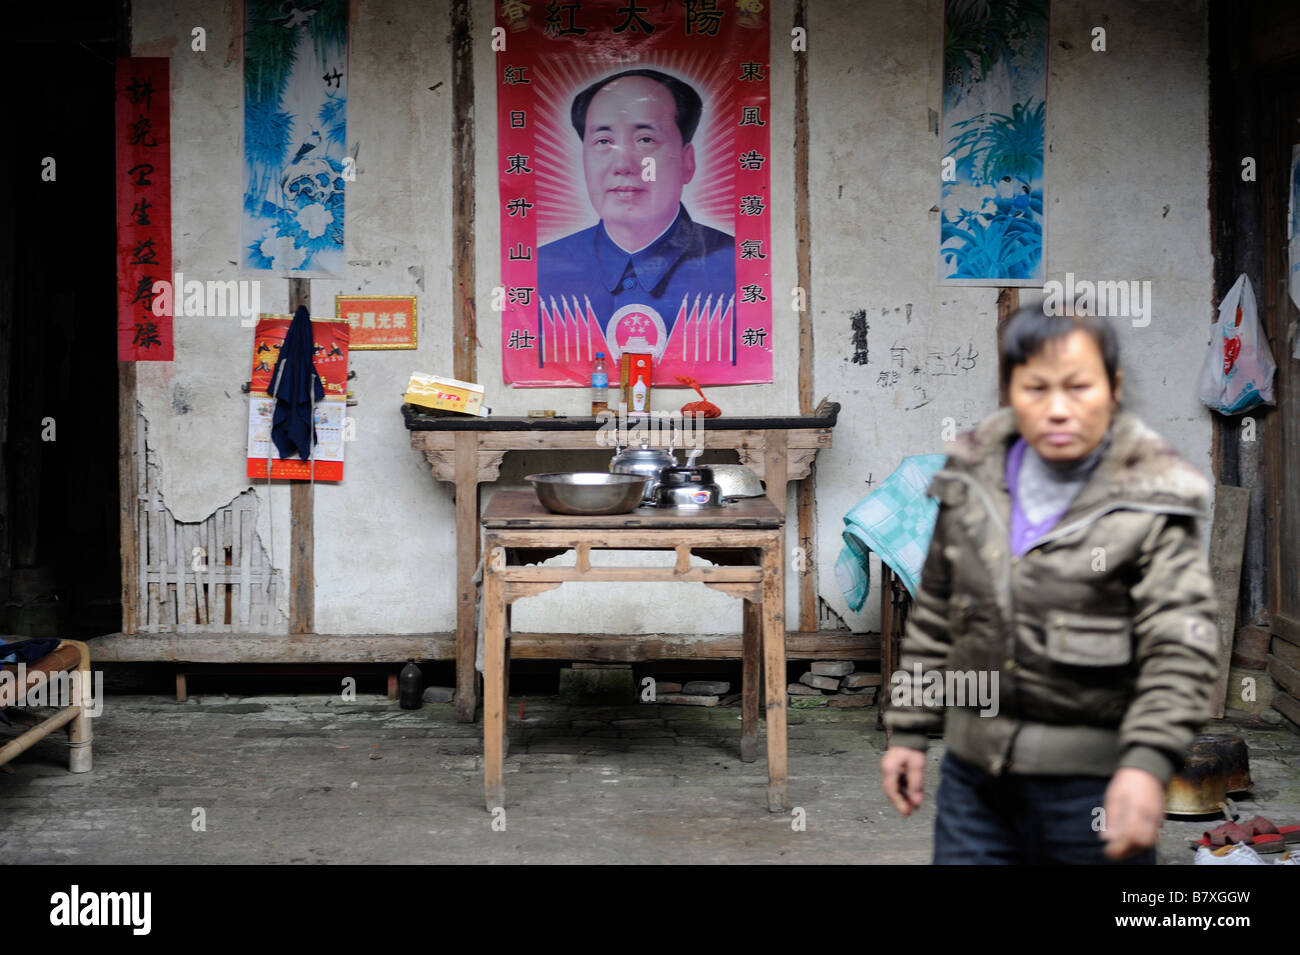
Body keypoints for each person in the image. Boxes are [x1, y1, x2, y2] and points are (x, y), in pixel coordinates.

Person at [880, 307, 1220, 864]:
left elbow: (1179, 647)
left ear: (1113, 387)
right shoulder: (971, 480)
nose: (1058, 409)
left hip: (1094, 786)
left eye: (1079, 387)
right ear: (1010, 389)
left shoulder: (1150, 497)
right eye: (1035, 388)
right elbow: (937, 615)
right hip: (974, 784)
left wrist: (1146, 764)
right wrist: (909, 733)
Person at [537, 69, 735, 355]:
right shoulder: (541, 271)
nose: (623, 164)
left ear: (687, 162)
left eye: (645, 140)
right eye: (603, 142)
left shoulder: (737, 269)